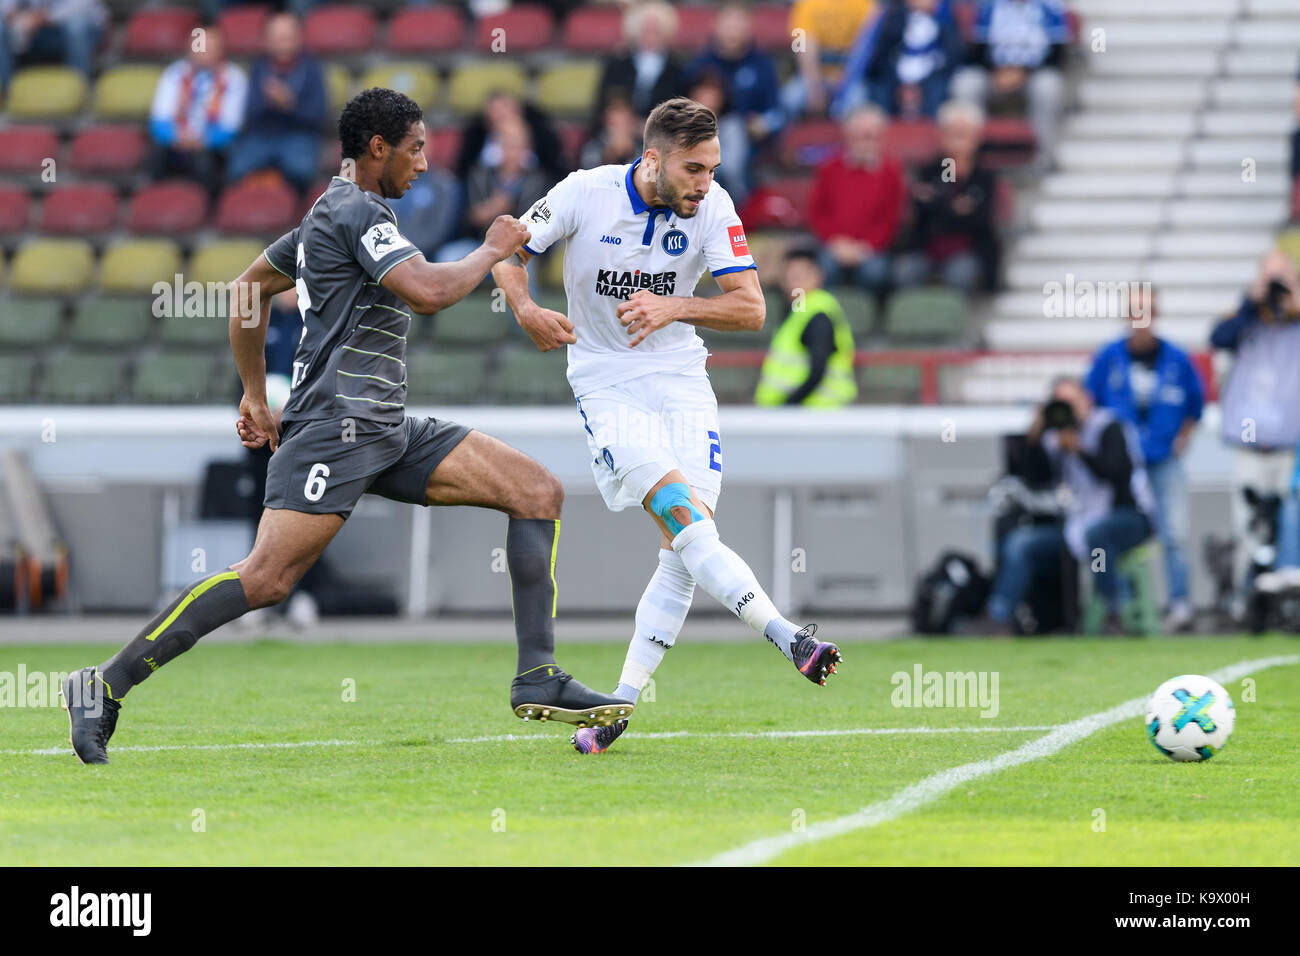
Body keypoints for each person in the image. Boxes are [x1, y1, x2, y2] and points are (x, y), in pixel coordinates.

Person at [60, 87, 631, 766]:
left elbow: (246, 289)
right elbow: (428, 293)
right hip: (335, 426)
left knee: (536, 491)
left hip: (385, 425)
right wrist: (492, 249)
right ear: (377, 148)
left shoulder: (332, 215)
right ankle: (102, 684)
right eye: (416, 148)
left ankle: (537, 672)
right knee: (267, 579)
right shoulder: (356, 210)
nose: (425, 162)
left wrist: (252, 396)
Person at [491, 97, 842, 756]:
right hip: (607, 384)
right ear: (652, 159)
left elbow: (751, 309)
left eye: (712, 168)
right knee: (684, 520)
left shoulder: (713, 206)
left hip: (683, 382)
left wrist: (675, 306)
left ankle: (617, 707)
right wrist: (524, 307)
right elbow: (508, 249)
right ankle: (788, 636)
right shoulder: (584, 193)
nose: (705, 182)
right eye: (693, 169)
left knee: (686, 549)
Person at [985, 378, 1156, 633]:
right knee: (1020, 543)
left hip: (1128, 518)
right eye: (1060, 403)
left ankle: (1113, 611)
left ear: (1085, 399)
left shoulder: (1108, 426)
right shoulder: (1055, 437)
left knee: (1097, 537)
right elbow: (1031, 476)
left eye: (1070, 402)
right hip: (1078, 524)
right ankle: (999, 617)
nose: (1066, 409)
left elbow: (1116, 472)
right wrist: (1038, 429)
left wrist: (1080, 449)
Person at [1085, 286, 1204, 632]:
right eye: (1135, 311)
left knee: (1175, 534)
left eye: (1147, 310)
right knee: (1108, 533)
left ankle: (1180, 605)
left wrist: (1184, 436)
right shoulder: (1107, 357)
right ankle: (1115, 607)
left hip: (1163, 459)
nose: (1141, 319)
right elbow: (1089, 403)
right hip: (1120, 467)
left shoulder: (1177, 359)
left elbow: (1195, 405)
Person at [1209, 248, 1300, 613]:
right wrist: (1252, 301)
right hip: (1249, 443)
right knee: (1248, 525)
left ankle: (1288, 599)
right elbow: (1218, 337)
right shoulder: (1246, 320)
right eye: (1271, 279)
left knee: (1291, 522)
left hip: (1290, 444)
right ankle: (1249, 600)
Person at [893, 99, 999, 293]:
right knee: (905, 272)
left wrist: (939, 203)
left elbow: (980, 219)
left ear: (976, 136)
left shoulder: (982, 176)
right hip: (928, 249)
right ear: (942, 135)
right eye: (952, 132)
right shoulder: (937, 169)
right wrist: (955, 207)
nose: (957, 139)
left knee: (960, 274)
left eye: (963, 133)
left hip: (967, 250)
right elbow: (928, 210)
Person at [950, 0, 1070, 171]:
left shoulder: (1050, 7)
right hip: (994, 75)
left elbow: (1057, 55)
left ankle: (1042, 158)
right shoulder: (989, 6)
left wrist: (1023, 72)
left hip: (1033, 77)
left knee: (1048, 86)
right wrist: (996, 71)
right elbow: (977, 51)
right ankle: (973, 157)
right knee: (965, 83)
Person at [685, 3, 783, 204]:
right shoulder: (699, 64)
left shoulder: (762, 64)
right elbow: (683, 107)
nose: (734, 28)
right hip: (703, 134)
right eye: (729, 21)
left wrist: (763, 123)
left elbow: (778, 113)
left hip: (750, 141)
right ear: (716, 25)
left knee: (735, 133)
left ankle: (735, 202)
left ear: (749, 26)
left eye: (740, 21)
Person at [807, 104, 904, 293]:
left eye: (870, 136)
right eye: (859, 136)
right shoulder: (829, 169)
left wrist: (863, 248)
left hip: (871, 248)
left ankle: (868, 319)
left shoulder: (891, 173)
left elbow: (890, 219)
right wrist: (836, 242)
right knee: (825, 267)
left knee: (874, 273)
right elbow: (817, 212)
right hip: (834, 245)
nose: (864, 142)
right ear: (848, 137)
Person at [226, 11, 326, 192]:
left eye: (287, 37)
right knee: (236, 169)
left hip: (298, 134)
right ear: (266, 40)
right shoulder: (258, 67)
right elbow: (249, 111)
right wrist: (270, 102)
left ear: (299, 38)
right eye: (277, 38)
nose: (282, 43)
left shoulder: (311, 68)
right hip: (262, 135)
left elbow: (318, 115)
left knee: (301, 170)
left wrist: (289, 104)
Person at [148, 23, 247, 193]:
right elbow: (159, 120)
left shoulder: (234, 78)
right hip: (176, 142)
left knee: (206, 161)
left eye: (210, 46)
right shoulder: (175, 74)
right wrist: (177, 137)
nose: (203, 51)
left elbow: (231, 126)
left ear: (221, 48)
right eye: (199, 45)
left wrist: (201, 141)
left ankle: (209, 207)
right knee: (155, 154)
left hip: (211, 146)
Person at [437, 118, 550, 264]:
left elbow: (537, 226)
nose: (511, 151)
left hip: (518, 248)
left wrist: (505, 208)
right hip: (479, 245)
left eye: (516, 145)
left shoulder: (538, 180)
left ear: (527, 148)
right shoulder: (479, 175)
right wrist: (490, 209)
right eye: (506, 144)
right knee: (447, 256)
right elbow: (467, 218)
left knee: (522, 263)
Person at [755, 247, 857, 407]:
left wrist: (788, 405)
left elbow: (818, 371)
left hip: (816, 414)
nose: (792, 284)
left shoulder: (817, 314)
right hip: (807, 414)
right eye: (787, 277)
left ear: (817, 276)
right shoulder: (800, 311)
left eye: (798, 277)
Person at [862, 0, 963, 119]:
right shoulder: (894, 17)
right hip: (894, 78)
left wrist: (921, 84)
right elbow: (881, 55)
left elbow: (954, 55)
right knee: (879, 90)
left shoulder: (945, 20)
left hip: (932, 79)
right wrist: (902, 83)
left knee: (937, 90)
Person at [781, 0, 874, 119]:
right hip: (814, 75)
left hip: (849, 77)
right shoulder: (807, 5)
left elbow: (864, 48)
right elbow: (802, 47)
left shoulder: (864, 5)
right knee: (790, 99)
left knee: (858, 103)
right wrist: (814, 87)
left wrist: (844, 81)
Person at [593, 1, 685, 120]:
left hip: (662, 132)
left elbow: (679, 109)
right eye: (646, 30)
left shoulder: (676, 69)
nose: (651, 36)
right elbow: (605, 103)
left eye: (655, 30)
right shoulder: (617, 65)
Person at [0, 0, 104, 92]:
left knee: (76, 27)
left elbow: (83, 5)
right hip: (30, 28)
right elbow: (6, 6)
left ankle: (79, 92)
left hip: (73, 24)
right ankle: (7, 92)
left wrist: (44, 18)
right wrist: (15, 17)